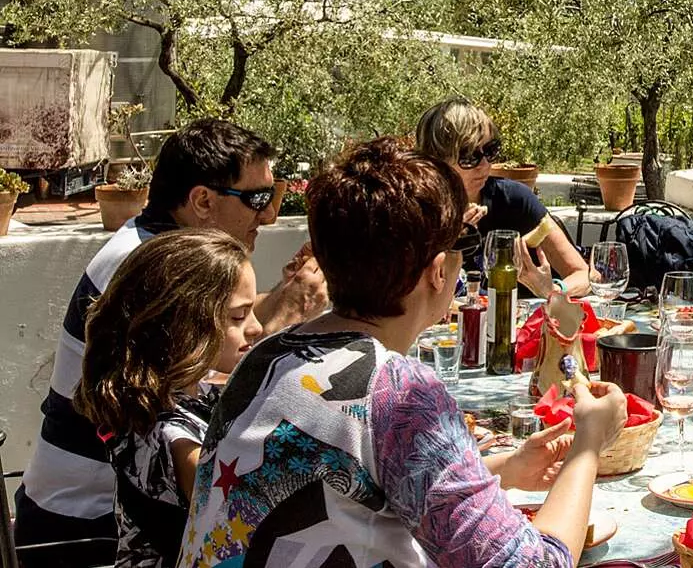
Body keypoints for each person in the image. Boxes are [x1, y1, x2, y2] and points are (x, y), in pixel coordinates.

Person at [178, 138, 628, 567]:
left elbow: (341, 479)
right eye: (464, 243)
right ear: (437, 271)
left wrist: (501, 469)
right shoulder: (398, 393)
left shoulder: (269, 356)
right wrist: (588, 442)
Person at [16, 120, 328, 566]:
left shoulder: (155, 248)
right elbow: (207, 374)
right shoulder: (139, 264)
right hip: (86, 530)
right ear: (202, 200)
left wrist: (287, 295)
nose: (270, 215)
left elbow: (214, 330)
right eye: (258, 199)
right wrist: (290, 311)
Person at [74, 231, 263, 568]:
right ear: (185, 323)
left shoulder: (175, 398)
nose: (256, 327)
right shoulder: (174, 439)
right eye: (238, 316)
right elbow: (239, 520)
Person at [415, 98, 589, 296]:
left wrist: (553, 289)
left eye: (490, 150)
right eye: (469, 156)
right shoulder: (416, 210)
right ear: (436, 160)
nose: (485, 165)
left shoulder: (514, 200)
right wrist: (447, 240)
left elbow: (583, 275)